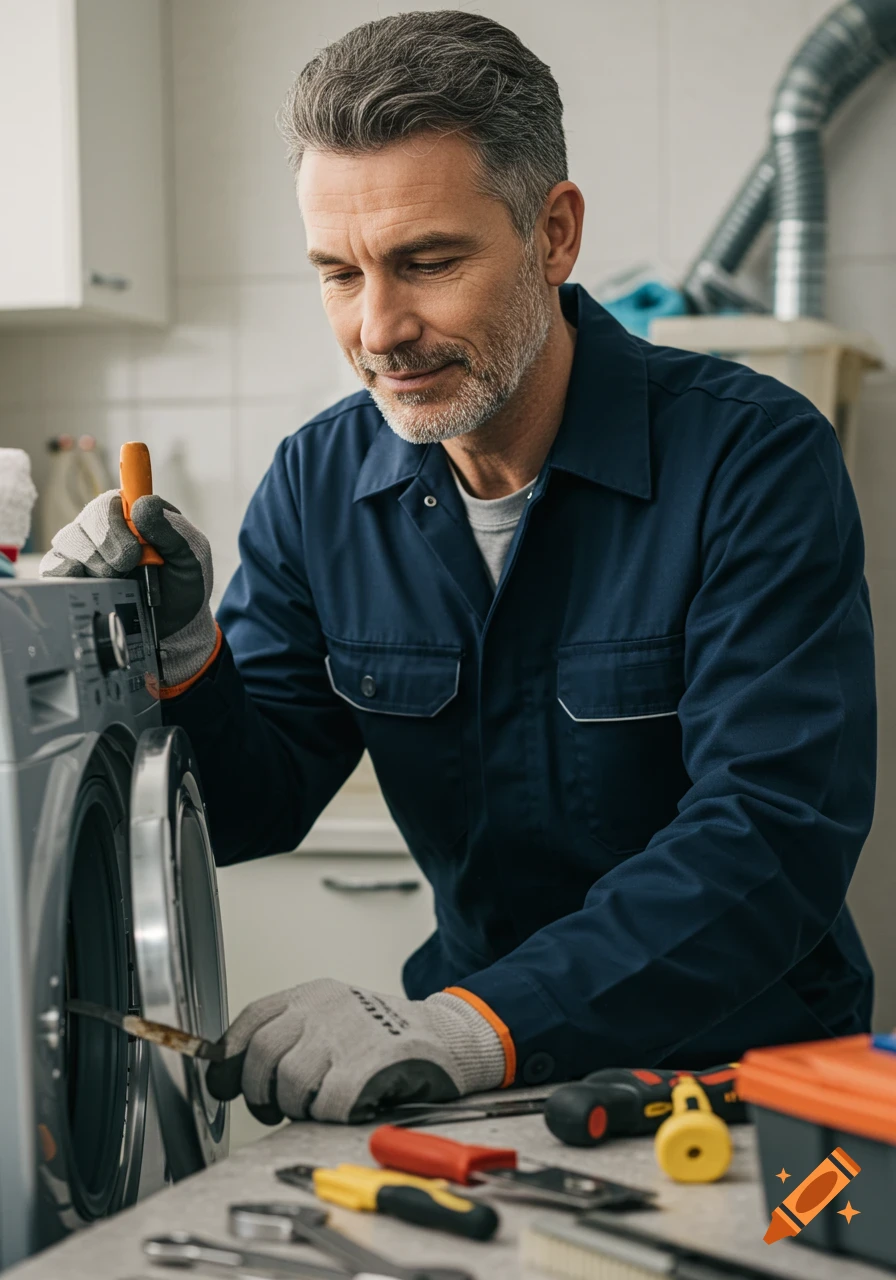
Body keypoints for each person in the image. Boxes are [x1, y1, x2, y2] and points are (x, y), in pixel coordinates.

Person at [43, 10, 876, 1127]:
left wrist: (470, 1022)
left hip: (740, 1091)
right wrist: (181, 655)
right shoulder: (318, 482)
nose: (377, 328)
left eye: (425, 262)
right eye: (338, 274)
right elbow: (252, 803)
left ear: (554, 233)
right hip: (471, 1091)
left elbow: (768, 836)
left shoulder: (751, 456)